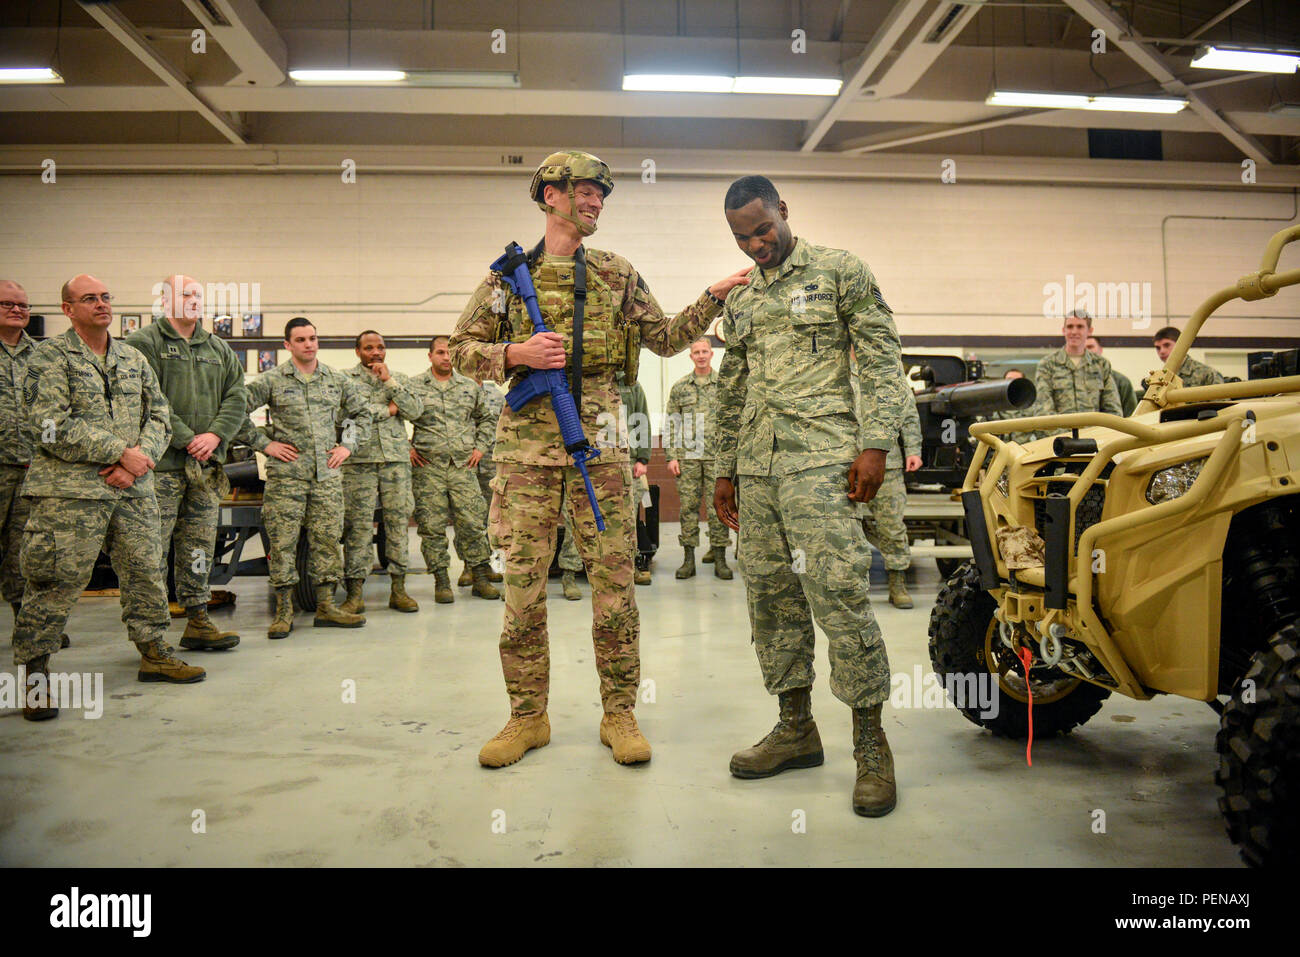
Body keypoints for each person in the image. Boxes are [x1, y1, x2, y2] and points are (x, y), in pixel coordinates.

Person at [450, 149, 750, 768]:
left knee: (615, 591)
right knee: (523, 595)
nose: (596, 203)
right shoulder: (508, 277)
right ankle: (527, 718)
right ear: (550, 195)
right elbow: (460, 351)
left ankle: (620, 714)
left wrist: (713, 296)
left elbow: (666, 339)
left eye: (602, 195)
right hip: (526, 457)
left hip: (603, 454)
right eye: (585, 191)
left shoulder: (615, 273)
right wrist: (517, 355)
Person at [712, 175, 907, 817]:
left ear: (783, 212)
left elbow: (881, 358)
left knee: (839, 594)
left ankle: (871, 746)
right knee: (770, 597)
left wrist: (877, 442)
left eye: (762, 229)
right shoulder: (739, 300)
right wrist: (723, 467)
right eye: (743, 237)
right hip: (758, 468)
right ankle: (796, 728)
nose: (756, 245)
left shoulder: (839, 270)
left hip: (824, 459)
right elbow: (730, 385)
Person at [16, 275, 204, 721]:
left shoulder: (131, 357)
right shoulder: (50, 357)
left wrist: (139, 459)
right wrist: (118, 451)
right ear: (67, 308)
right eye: (89, 298)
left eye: (105, 297)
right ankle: (35, 676)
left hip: (133, 489)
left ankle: (154, 652)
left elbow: (159, 414)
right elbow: (47, 423)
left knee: (145, 571)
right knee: (54, 582)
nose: (101, 304)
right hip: (70, 493)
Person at [126, 275, 247, 652]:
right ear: (164, 301)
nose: (194, 299)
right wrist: (186, 438)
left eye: (198, 294)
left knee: (198, 549)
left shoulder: (218, 348)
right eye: (185, 294)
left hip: (204, 469)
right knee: (151, 552)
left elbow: (237, 395)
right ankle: (151, 637)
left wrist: (214, 436)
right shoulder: (143, 344)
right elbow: (148, 398)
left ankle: (197, 618)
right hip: (158, 468)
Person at [244, 317, 371, 638]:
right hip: (287, 478)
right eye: (300, 340)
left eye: (312, 338)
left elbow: (361, 413)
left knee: (327, 540)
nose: (308, 344)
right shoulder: (272, 380)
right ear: (288, 345)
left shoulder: (335, 380)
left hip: (326, 478)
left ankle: (327, 605)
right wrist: (264, 443)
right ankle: (284, 609)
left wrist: (347, 446)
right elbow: (234, 411)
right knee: (283, 542)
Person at [1, 281, 69, 655]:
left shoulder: (43, 355)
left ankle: (29, 627)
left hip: (31, 470)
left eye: (23, 305)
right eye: (7, 304)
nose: (17, 310)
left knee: (25, 555)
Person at [409, 335, 500, 603]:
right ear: (430, 356)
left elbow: (487, 418)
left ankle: (480, 578)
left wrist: (481, 447)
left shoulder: (469, 387)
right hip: (429, 469)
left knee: (472, 523)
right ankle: (441, 581)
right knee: (432, 527)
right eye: (440, 352)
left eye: (449, 353)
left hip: (462, 467)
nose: (446, 357)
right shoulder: (414, 386)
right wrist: (407, 448)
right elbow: (392, 419)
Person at [339, 330, 423, 615]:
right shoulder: (344, 380)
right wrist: (387, 411)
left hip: (395, 461)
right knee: (357, 527)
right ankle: (355, 593)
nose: (376, 352)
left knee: (398, 524)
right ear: (358, 351)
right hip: (358, 462)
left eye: (380, 347)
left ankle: (399, 590)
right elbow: (345, 415)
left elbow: (415, 410)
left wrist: (389, 381)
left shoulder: (397, 378)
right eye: (369, 348)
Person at [853, 362, 922, 608]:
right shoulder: (833, 364)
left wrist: (913, 450)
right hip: (844, 462)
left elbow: (909, 414)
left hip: (886, 462)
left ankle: (897, 582)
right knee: (846, 528)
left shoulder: (886, 368)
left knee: (892, 525)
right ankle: (851, 585)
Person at [666, 337, 732, 580]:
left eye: (705, 351)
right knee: (688, 509)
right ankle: (688, 559)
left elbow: (731, 421)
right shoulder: (680, 387)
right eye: (697, 352)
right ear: (691, 356)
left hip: (717, 458)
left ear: (712, 354)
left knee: (719, 508)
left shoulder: (723, 385)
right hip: (689, 458)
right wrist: (671, 457)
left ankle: (720, 558)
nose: (701, 355)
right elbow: (672, 424)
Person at [1023, 309, 1122, 440]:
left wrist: (1101, 438)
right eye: (1070, 327)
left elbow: (1113, 411)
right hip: (1059, 445)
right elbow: (1042, 411)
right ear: (1063, 330)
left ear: (1090, 331)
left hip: (1096, 443)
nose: (1074, 331)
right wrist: (1065, 441)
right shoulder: (1047, 365)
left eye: (1080, 326)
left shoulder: (1101, 365)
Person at [455, 380, 506, 587]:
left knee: (494, 516)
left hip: (490, 461)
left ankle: (492, 565)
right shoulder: (456, 388)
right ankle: (470, 565)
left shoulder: (496, 395)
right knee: (466, 515)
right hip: (464, 460)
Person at [1150, 325, 1224, 388]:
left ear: (1181, 344)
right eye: (1158, 348)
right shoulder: (1161, 378)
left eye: (1167, 345)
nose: (1162, 351)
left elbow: (1221, 404)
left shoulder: (1207, 374)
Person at [1085, 335, 1137, 415]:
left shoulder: (1122, 382)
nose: (1086, 351)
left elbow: (1131, 416)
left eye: (1090, 347)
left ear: (1100, 350)